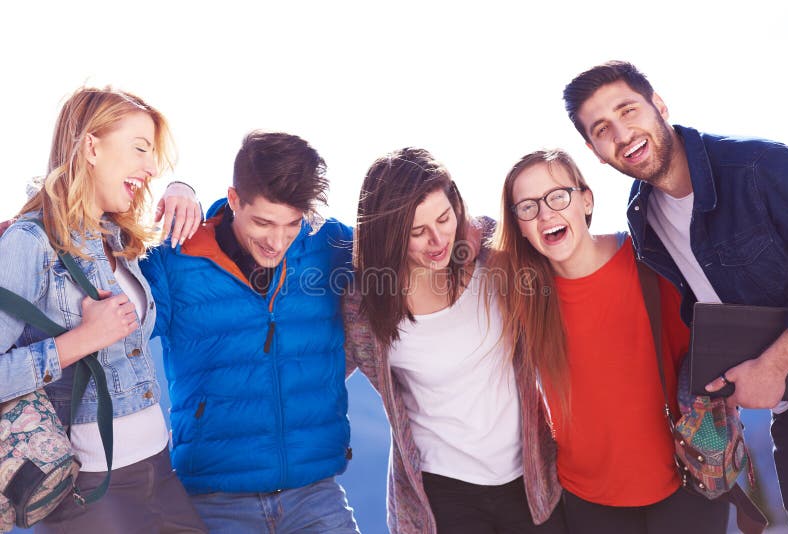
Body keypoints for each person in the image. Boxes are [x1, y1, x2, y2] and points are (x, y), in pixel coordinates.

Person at [563, 60, 788, 529]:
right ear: (595, 151)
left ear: (659, 105)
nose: (622, 134)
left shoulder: (760, 167)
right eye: (603, 129)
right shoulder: (643, 217)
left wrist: (775, 363)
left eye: (628, 110)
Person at [491, 148, 729, 533]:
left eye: (557, 196)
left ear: (586, 200)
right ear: (518, 225)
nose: (546, 214)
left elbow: (712, 348)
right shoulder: (522, 294)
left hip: (686, 479)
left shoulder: (649, 261)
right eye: (528, 207)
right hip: (590, 501)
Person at [0, 86, 206, 532]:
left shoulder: (116, 236)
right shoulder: (29, 242)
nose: (152, 167)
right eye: (140, 149)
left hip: (159, 468)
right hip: (91, 488)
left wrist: (183, 189)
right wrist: (80, 341)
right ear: (91, 148)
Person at [139, 131, 359, 533]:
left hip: (315, 495)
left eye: (292, 224)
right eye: (263, 222)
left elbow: (401, 248)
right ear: (234, 199)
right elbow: (103, 290)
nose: (277, 241)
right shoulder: (176, 260)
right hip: (215, 501)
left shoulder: (327, 243)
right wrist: (174, 188)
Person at [342, 147, 565, 534]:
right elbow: (316, 374)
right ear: (388, 235)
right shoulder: (364, 306)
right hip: (441, 490)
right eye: (417, 232)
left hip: (529, 479)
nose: (436, 239)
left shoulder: (494, 258)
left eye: (444, 219)